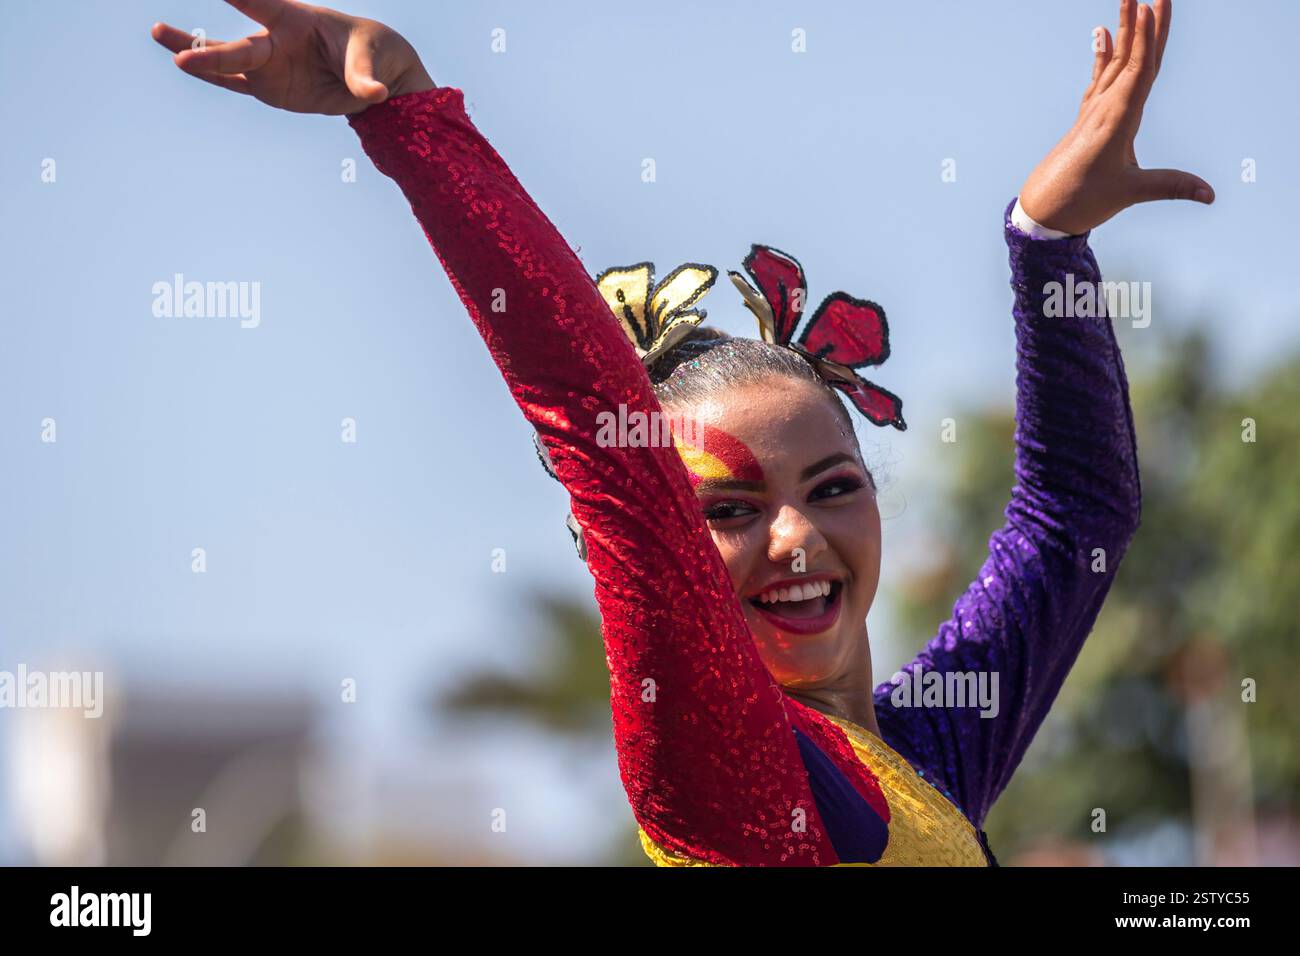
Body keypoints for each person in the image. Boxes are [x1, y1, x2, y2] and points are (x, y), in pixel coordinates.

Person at [150, 0, 1211, 866]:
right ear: (659, 549)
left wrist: (1048, 242)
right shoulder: (724, 767)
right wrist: (414, 121)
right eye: (732, 510)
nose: (797, 538)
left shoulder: (923, 753)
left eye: (834, 484)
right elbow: (604, 443)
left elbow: (1075, 512)